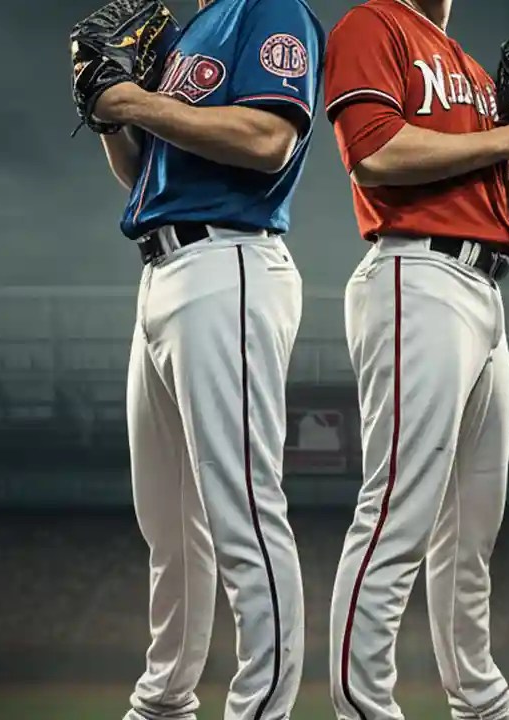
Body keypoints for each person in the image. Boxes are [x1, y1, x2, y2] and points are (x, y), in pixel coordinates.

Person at [321, 0, 509, 718]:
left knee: (471, 536)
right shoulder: (374, 23)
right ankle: (365, 707)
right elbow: (375, 154)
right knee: (398, 513)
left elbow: (507, 200)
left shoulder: (474, 71)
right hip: (416, 272)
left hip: (485, 288)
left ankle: (481, 705)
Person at [80, 0, 325, 717]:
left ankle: (260, 711)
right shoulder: (183, 37)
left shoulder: (269, 9)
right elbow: (143, 173)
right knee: (169, 526)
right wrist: (108, 111)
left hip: (230, 261)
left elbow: (269, 137)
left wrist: (133, 99)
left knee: (243, 512)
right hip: (160, 271)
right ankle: (164, 703)